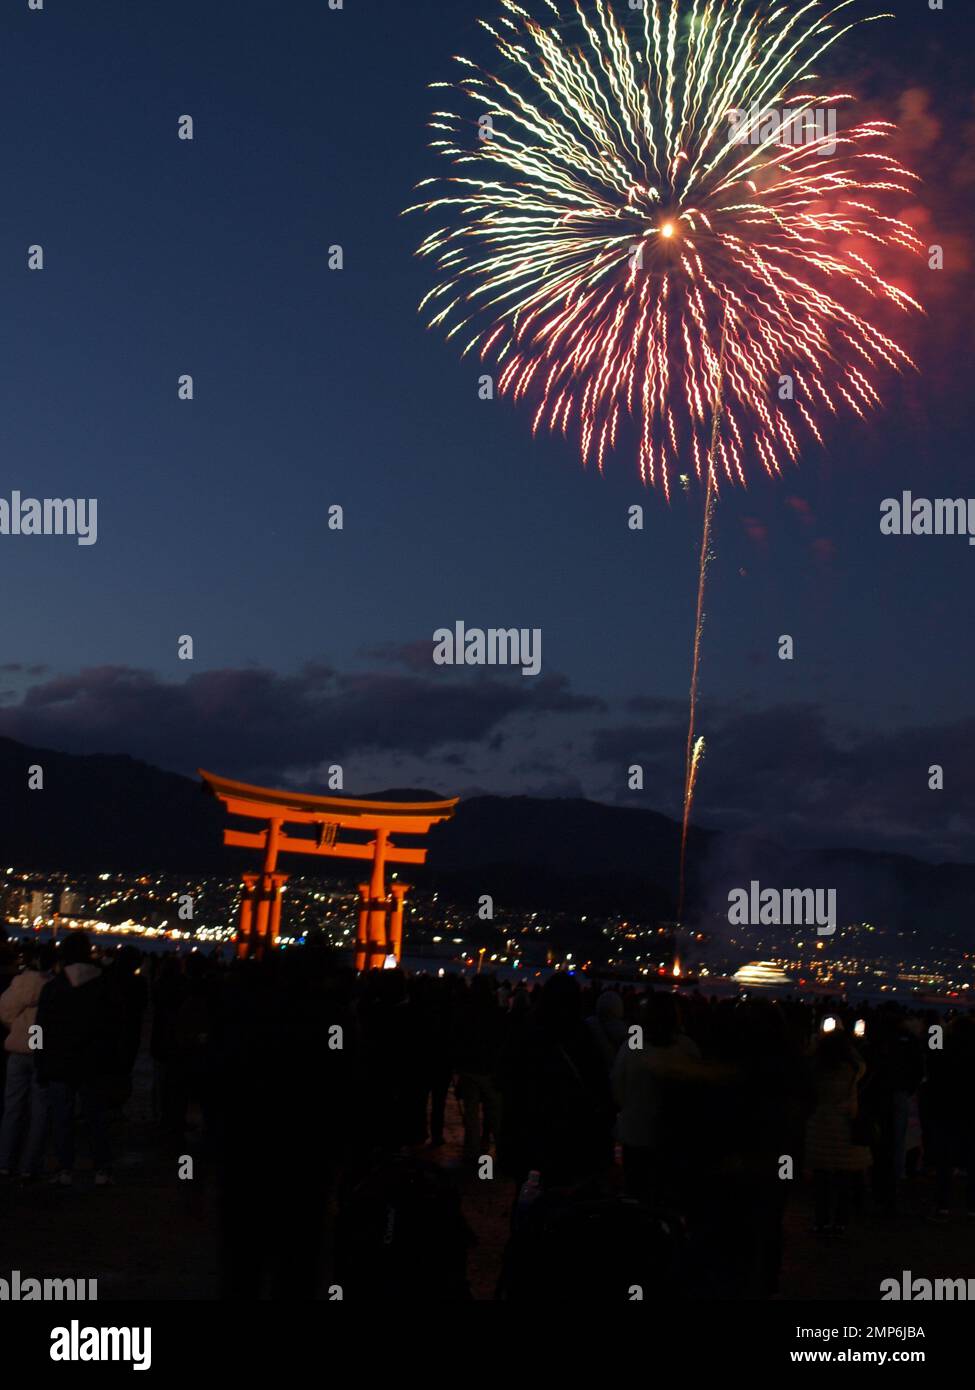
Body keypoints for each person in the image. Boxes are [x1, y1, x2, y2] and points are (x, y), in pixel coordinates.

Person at [35, 933, 119, 1186]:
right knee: (96, 1116)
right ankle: (102, 1168)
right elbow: (113, 1027)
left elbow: (40, 1028)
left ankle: (65, 1169)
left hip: (60, 1062)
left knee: (62, 1117)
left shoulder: (53, 988)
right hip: (94, 1062)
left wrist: (40, 1061)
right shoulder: (104, 986)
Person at [805, 1026, 871, 1234]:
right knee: (844, 1178)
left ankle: (820, 1220)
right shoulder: (854, 1070)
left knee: (821, 1178)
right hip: (845, 1125)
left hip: (820, 1124)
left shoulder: (816, 1068)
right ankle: (841, 1221)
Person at [0, 943, 56, 1180]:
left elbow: (5, 1013)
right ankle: (29, 1165)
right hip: (42, 1053)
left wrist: (17, 1029)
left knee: (12, 1108)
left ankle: (4, 1161)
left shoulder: (18, 983)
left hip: (17, 1049)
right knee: (40, 1110)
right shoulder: (53, 985)